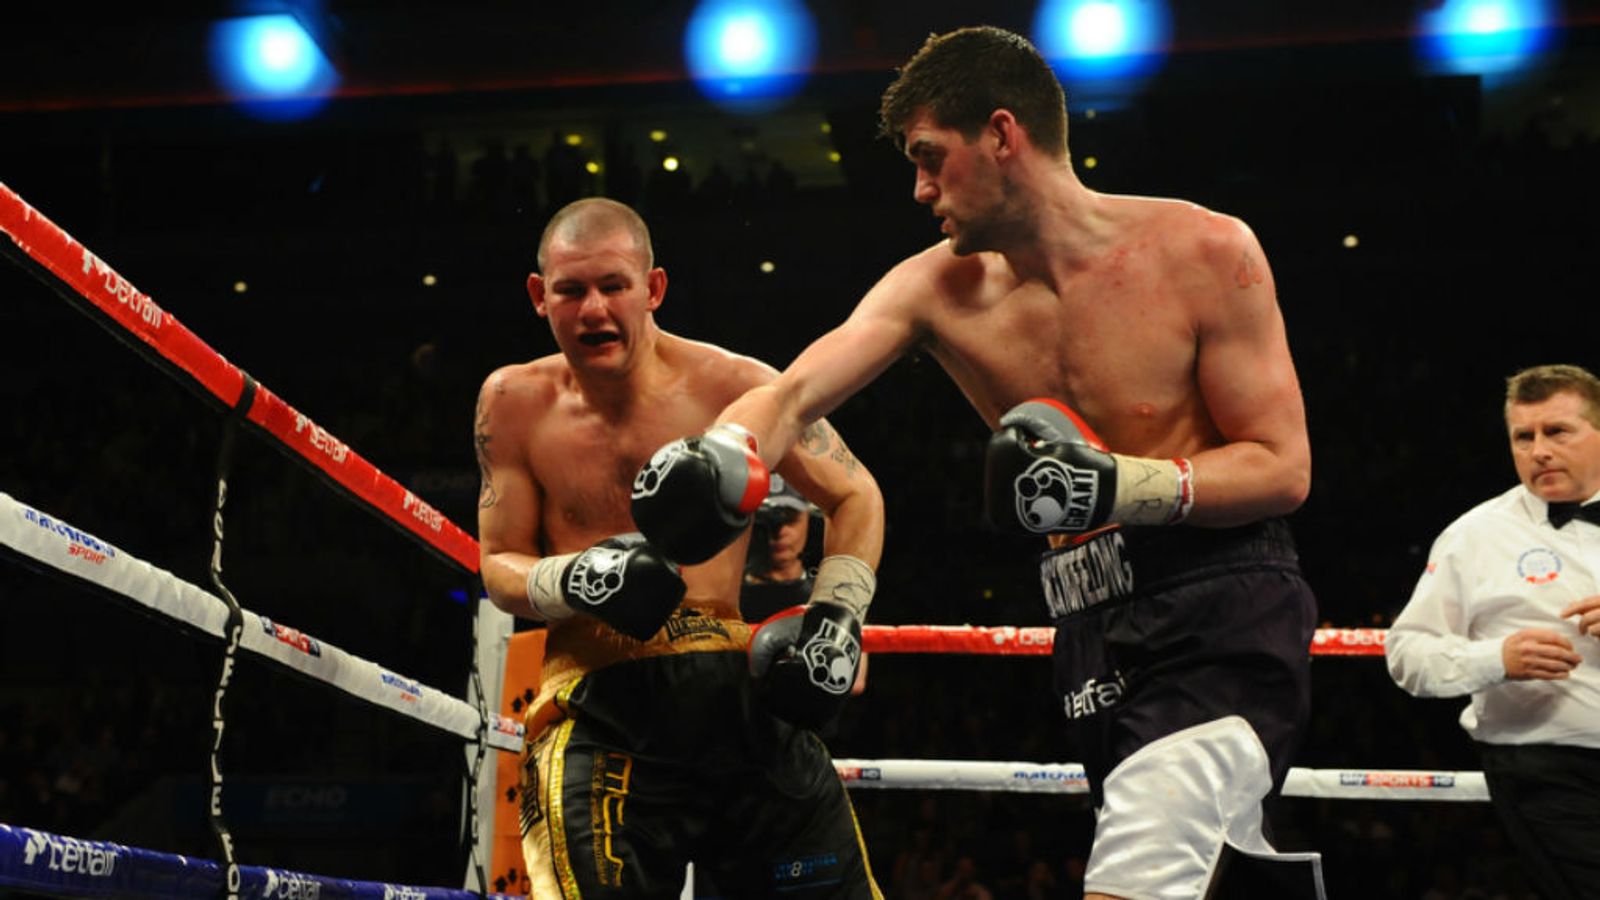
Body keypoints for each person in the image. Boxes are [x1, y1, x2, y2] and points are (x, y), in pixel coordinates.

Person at [631, 25, 1323, 900]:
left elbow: (1282, 468)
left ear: (1003, 135)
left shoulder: (1203, 251)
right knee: (1202, 871)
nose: (920, 190)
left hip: (1222, 611)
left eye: (931, 158)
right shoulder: (935, 288)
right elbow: (797, 393)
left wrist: (1120, 483)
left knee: (1141, 867)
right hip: (1087, 623)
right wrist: (723, 451)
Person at [475, 197, 887, 898]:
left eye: (613, 286)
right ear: (539, 297)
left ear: (653, 289)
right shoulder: (513, 402)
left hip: (736, 696)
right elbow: (498, 563)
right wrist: (575, 577)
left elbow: (856, 496)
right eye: (571, 291)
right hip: (597, 703)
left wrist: (837, 622)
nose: (594, 310)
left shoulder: (736, 388)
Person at [1386, 363, 1600, 900]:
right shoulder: (1475, 536)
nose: (1539, 450)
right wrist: (1494, 660)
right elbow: (1407, 653)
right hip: (1547, 765)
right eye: (1523, 437)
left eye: (1557, 432)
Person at [742, 473, 818, 622]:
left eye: (790, 518)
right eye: (768, 519)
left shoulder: (825, 599)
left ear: (807, 518)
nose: (780, 531)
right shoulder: (727, 599)